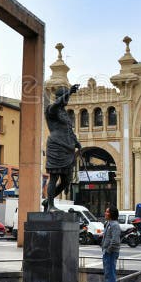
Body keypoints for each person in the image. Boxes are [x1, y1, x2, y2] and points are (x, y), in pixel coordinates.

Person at [43, 84, 82, 212]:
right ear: (60, 97)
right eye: (66, 98)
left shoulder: (64, 113)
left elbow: (68, 130)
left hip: (67, 148)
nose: (67, 101)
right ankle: (50, 206)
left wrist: (76, 142)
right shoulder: (51, 109)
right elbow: (56, 104)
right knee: (54, 177)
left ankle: (47, 200)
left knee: (67, 180)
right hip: (56, 145)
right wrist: (69, 92)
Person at [100, 205, 122, 282]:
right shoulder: (109, 224)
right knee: (111, 273)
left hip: (110, 253)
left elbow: (115, 241)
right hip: (108, 252)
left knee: (109, 274)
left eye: (107, 212)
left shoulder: (114, 225)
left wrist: (108, 250)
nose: (105, 213)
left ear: (112, 214)